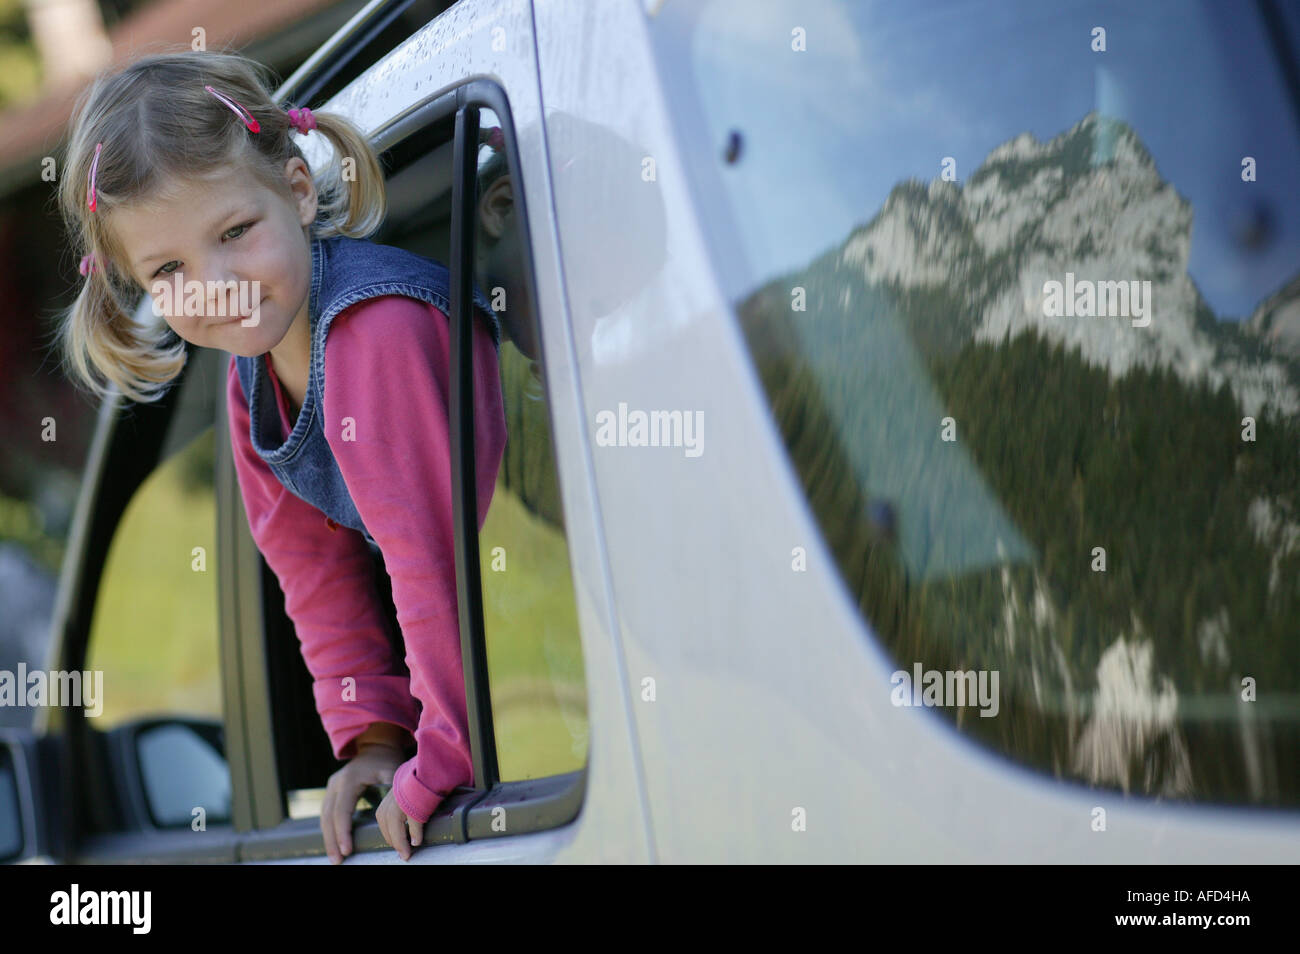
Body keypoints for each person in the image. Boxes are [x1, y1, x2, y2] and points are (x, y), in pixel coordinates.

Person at [55, 48, 511, 864]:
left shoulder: (376, 337)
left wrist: (445, 756)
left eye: (235, 231)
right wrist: (372, 740)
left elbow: (429, 567)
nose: (218, 283)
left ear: (297, 190)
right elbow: (315, 577)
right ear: (139, 287)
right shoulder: (248, 385)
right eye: (170, 269)